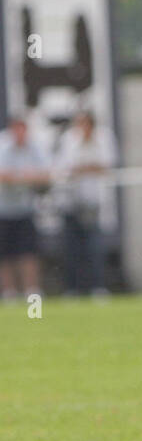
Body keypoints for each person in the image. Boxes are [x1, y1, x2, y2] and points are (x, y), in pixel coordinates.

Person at [55, 110, 118, 297]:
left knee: (94, 247)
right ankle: (72, 289)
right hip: (70, 201)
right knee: (71, 248)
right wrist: (87, 167)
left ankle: (97, 287)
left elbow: (107, 164)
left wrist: (85, 168)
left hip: (93, 201)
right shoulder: (69, 139)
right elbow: (66, 166)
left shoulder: (104, 137)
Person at [0, 116, 49, 303]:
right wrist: (24, 177)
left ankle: (32, 292)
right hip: (3, 209)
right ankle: (9, 292)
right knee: (5, 253)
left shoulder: (35, 147)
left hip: (25, 208)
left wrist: (21, 177)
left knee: (28, 252)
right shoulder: (3, 146)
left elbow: (45, 174)